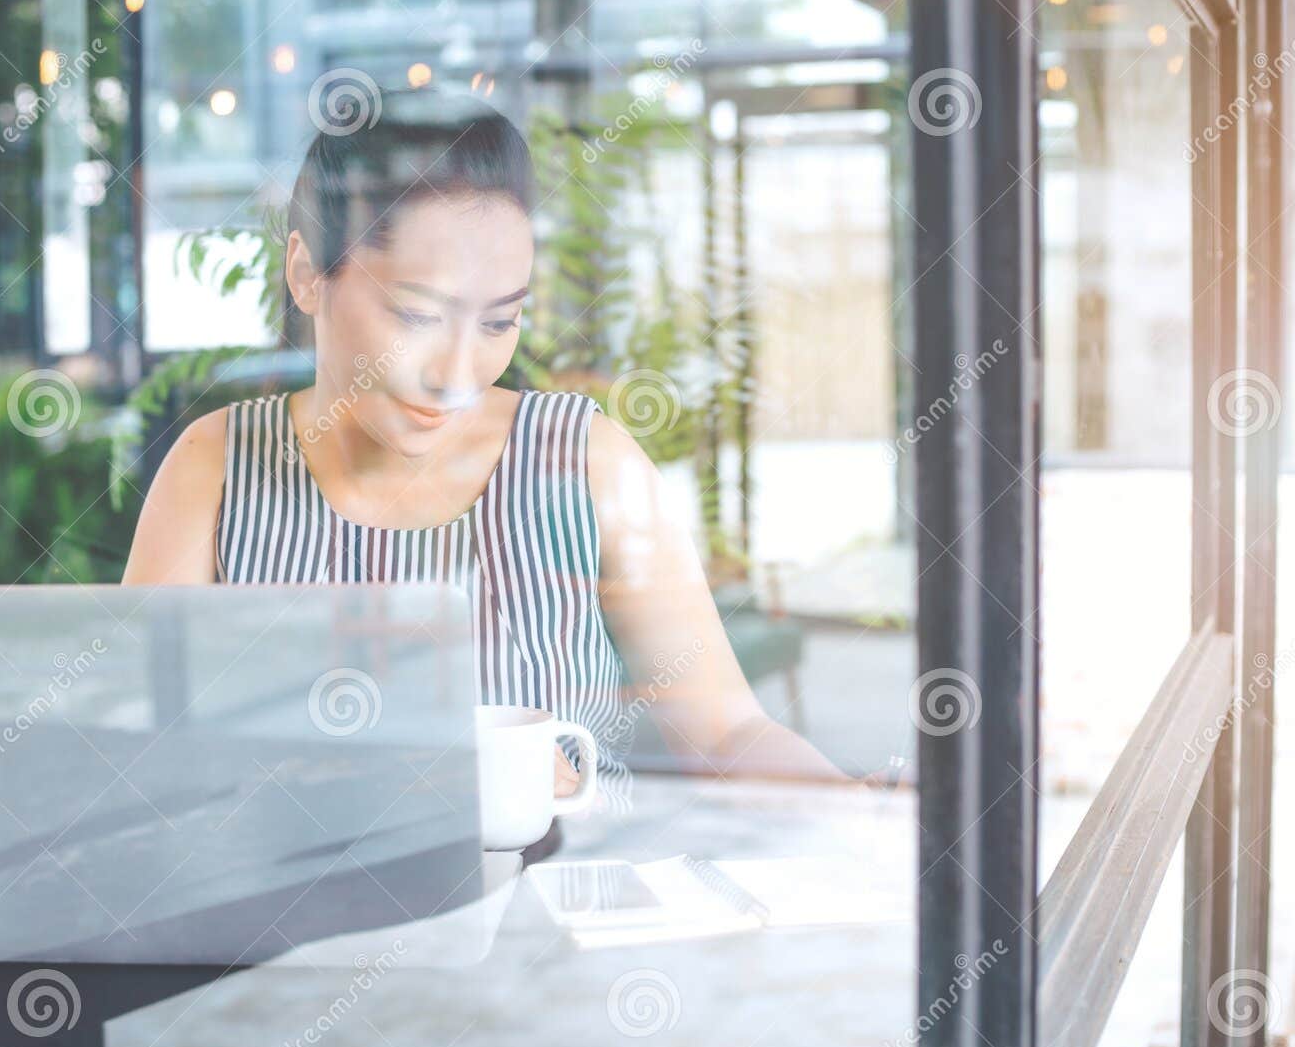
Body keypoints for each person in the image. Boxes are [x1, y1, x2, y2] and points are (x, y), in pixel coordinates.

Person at [122, 85, 836, 810]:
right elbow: (142, 753)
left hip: (558, 905)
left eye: (499, 323)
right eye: (417, 315)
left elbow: (727, 733)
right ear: (308, 274)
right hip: (287, 913)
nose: (456, 375)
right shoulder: (215, 467)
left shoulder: (584, 459)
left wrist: (866, 813)